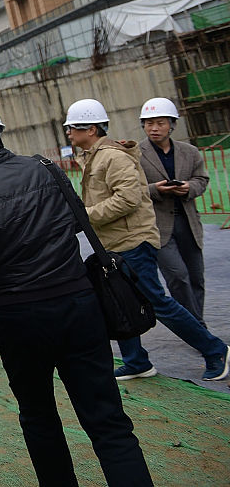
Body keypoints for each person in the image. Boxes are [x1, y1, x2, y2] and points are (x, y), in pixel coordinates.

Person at [0, 97, 153, 487]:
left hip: (20, 318)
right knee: (108, 422)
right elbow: (77, 221)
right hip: (78, 305)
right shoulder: (45, 168)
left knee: (39, 417)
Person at [65, 98, 228, 381]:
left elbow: (128, 199)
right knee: (119, 298)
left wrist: (85, 216)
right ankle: (136, 361)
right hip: (115, 242)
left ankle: (215, 350)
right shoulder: (95, 157)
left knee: (157, 302)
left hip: (132, 242)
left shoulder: (112, 157)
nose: (68, 134)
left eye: (72, 128)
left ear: (90, 129)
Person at [138, 96, 209, 323]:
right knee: (178, 276)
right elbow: (132, 189)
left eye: (160, 123)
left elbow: (202, 179)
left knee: (196, 277)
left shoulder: (190, 152)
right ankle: (196, 325)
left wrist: (189, 187)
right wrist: (155, 189)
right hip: (158, 225)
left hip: (188, 221)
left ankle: (195, 320)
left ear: (172, 124)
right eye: (149, 123)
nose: (154, 128)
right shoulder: (136, 154)